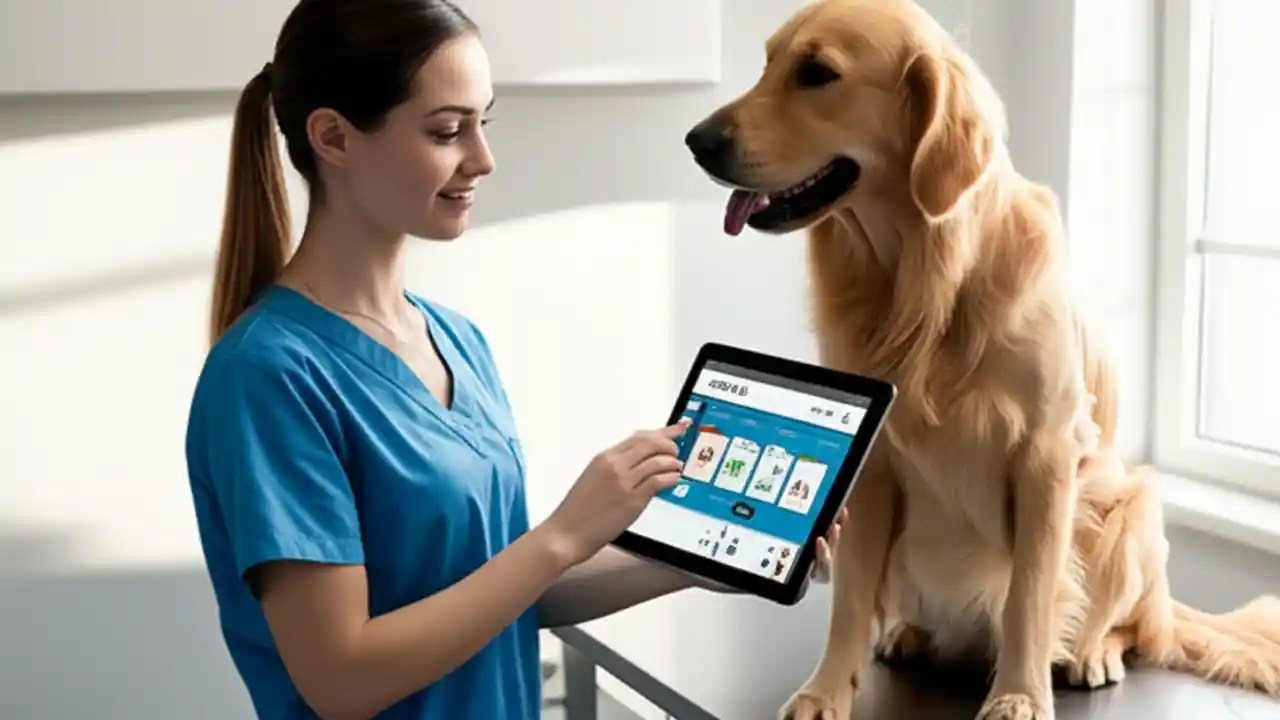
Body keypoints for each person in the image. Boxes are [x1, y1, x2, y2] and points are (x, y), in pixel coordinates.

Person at [184, 1, 845, 718]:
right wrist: (563, 533)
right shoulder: (269, 377)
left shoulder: (456, 341)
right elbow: (342, 679)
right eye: (446, 131)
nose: (483, 159)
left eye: (483, 122)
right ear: (334, 137)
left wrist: (698, 560)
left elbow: (503, 590)